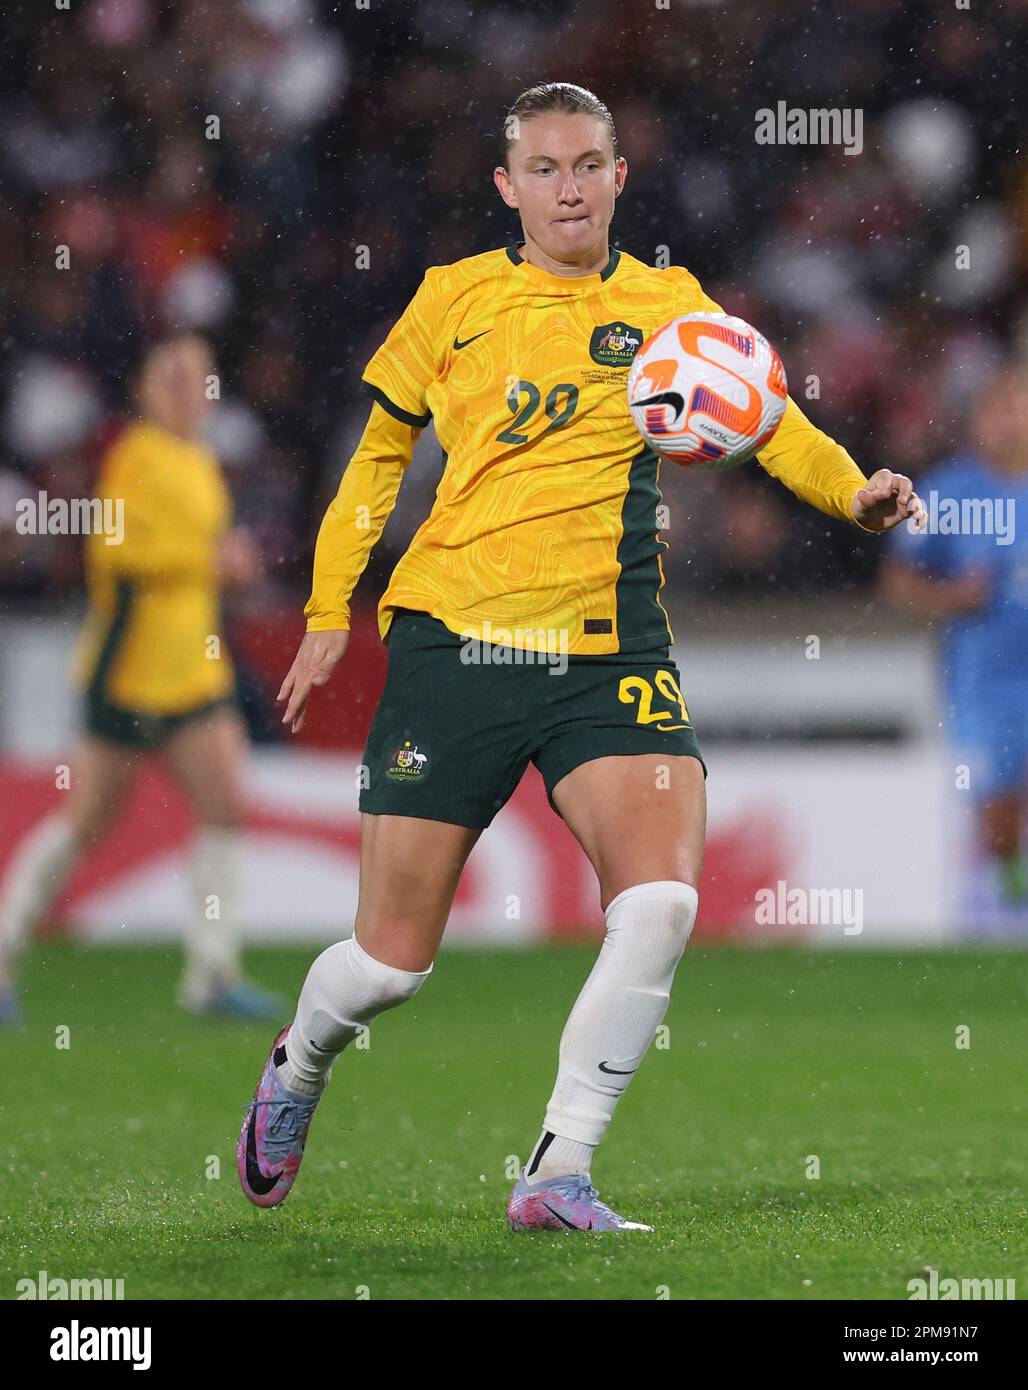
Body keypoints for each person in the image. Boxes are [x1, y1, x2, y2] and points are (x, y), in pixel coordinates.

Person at [237, 83, 924, 1231]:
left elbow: (768, 417)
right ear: (507, 187)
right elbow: (375, 455)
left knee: (656, 902)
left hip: (609, 654)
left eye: (588, 164)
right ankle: (299, 1063)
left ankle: (555, 1173)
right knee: (390, 964)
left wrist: (851, 488)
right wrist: (324, 603)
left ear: (618, 177)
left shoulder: (666, 304)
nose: (568, 186)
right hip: (455, 640)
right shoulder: (452, 299)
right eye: (544, 168)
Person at [0, 334, 284, 1023]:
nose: (191, 388)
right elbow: (120, 553)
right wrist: (212, 560)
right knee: (88, 823)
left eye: (201, 376)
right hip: (129, 673)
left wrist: (228, 562)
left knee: (226, 809)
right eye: (175, 377)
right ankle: (4, 950)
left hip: (194, 671)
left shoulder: (198, 459)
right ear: (146, 392)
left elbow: (193, 558)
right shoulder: (135, 457)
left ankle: (212, 976)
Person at [882, 364, 1028, 916]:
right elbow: (897, 583)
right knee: (994, 801)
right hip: (981, 679)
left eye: (1017, 408)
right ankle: (1002, 902)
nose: (1009, 422)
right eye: (997, 411)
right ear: (977, 422)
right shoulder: (948, 492)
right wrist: (955, 597)